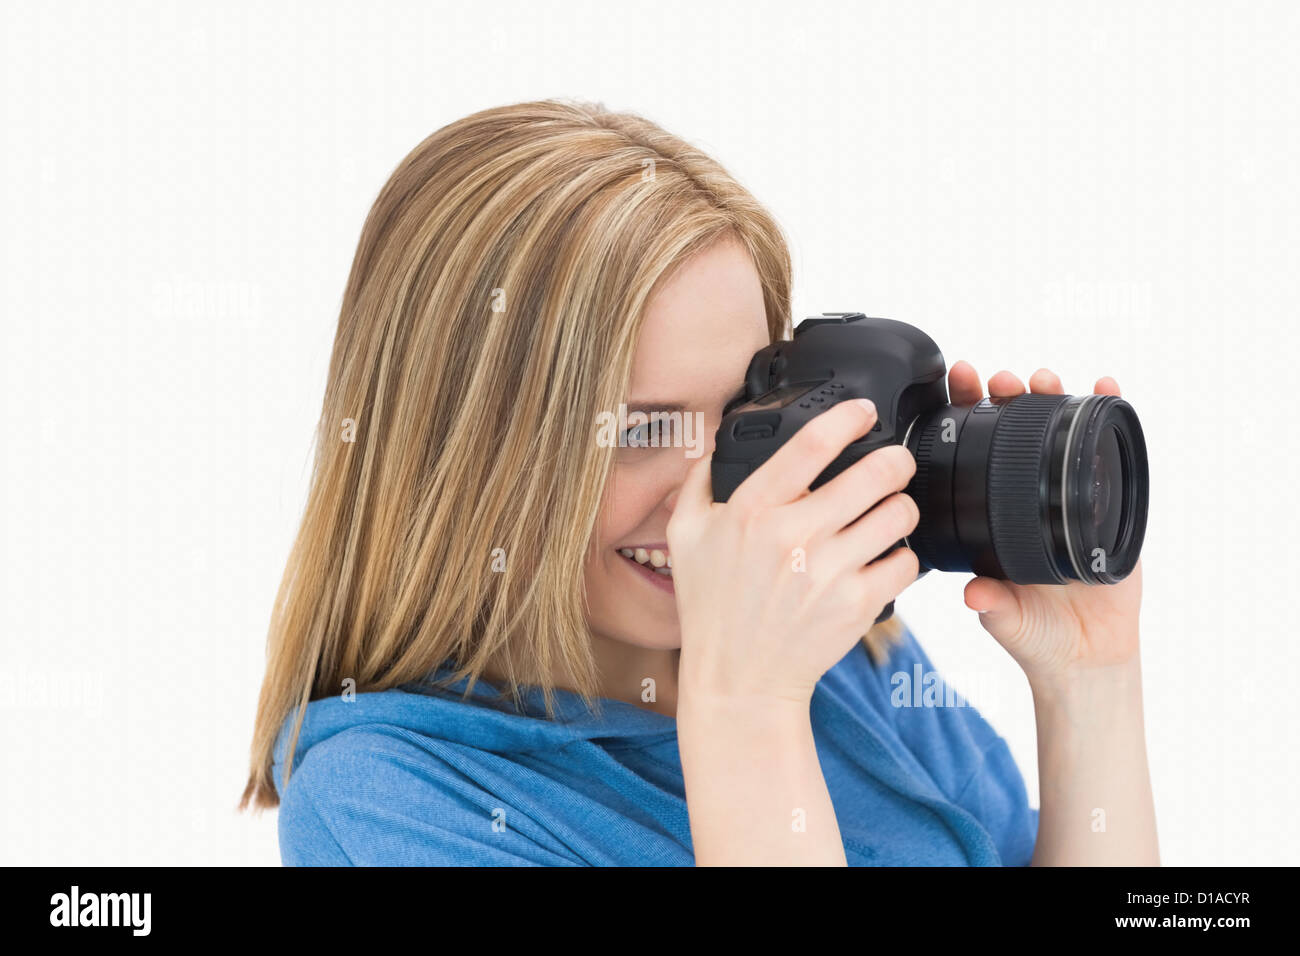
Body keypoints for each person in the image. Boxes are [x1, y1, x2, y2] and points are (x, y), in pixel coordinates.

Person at [240, 100, 1158, 866]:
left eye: (753, 408)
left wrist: (1090, 686)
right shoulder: (384, 803)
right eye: (644, 428)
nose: (718, 496)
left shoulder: (847, 658)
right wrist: (749, 708)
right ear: (467, 454)